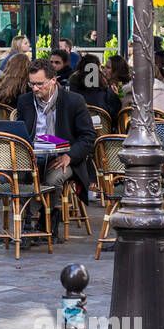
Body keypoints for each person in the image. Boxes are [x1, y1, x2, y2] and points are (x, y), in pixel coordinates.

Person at [15, 59, 97, 242]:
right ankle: (25, 222)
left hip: (63, 156)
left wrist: (70, 156)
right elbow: (21, 133)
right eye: (32, 84)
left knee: (53, 178)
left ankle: (47, 224)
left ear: (53, 80)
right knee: (17, 175)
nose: (35, 89)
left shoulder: (73, 101)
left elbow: (89, 137)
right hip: (34, 157)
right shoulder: (25, 101)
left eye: (40, 84)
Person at [70, 53, 121, 122]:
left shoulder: (72, 94)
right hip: (104, 131)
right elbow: (117, 118)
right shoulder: (108, 94)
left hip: (79, 131)